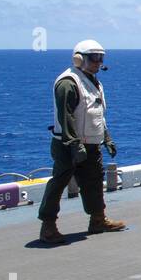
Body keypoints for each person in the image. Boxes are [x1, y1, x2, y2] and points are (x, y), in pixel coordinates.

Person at [37, 40, 125, 244]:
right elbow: (65, 116)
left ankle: (98, 220)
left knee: (94, 182)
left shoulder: (93, 82)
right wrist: (75, 145)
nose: (98, 62)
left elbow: (96, 113)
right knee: (59, 182)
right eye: (94, 57)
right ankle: (48, 226)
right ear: (79, 58)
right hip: (68, 146)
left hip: (91, 144)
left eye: (100, 57)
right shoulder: (68, 82)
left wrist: (106, 138)